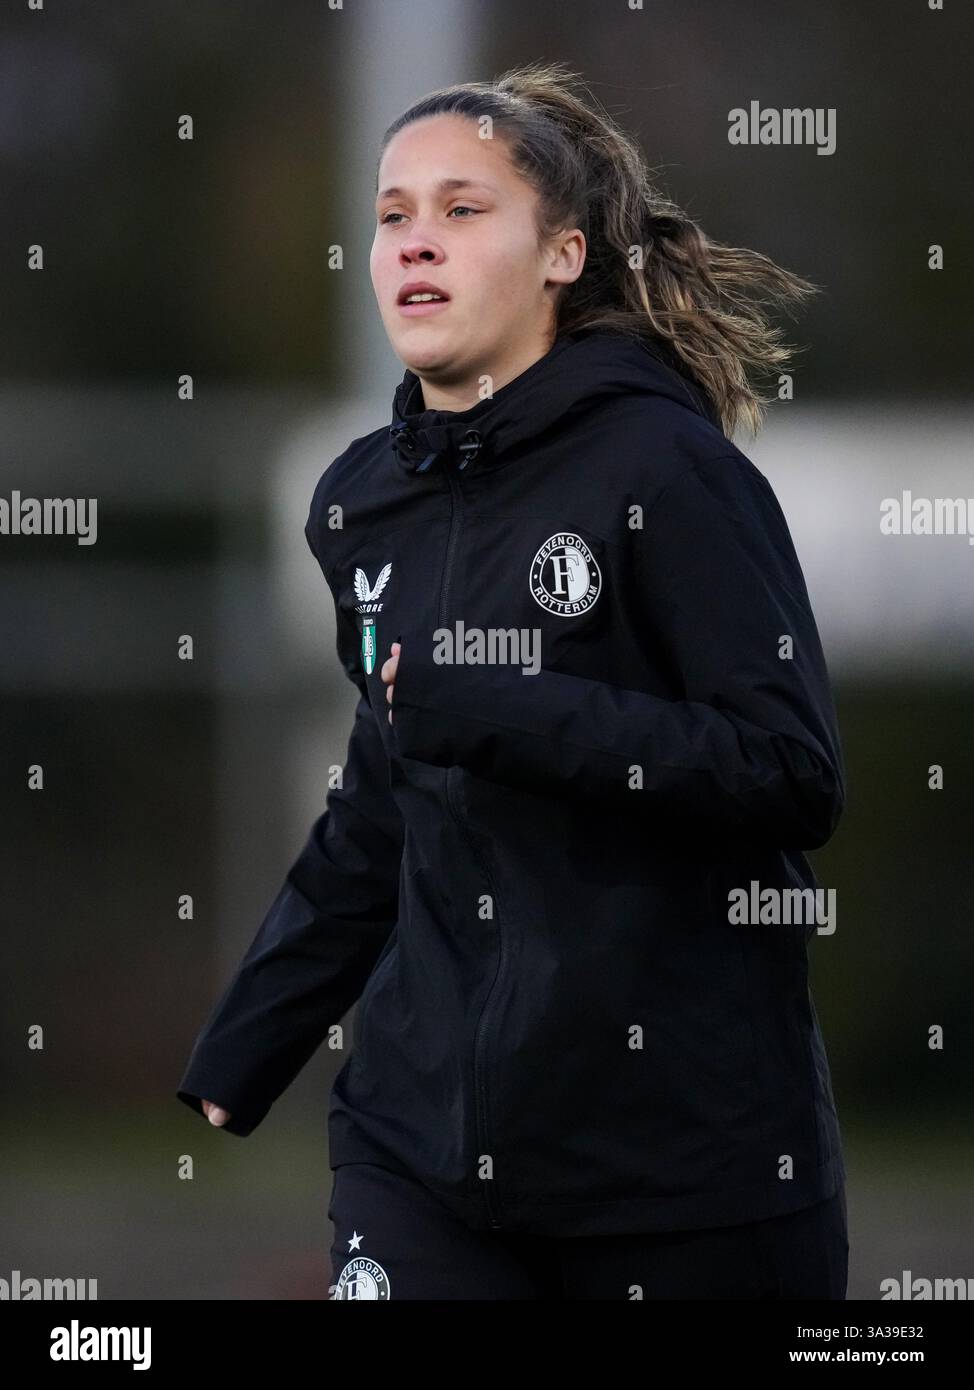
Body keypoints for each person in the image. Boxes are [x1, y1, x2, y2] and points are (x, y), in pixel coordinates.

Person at [177, 60, 850, 1301]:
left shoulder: (670, 470)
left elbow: (788, 772)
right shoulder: (359, 500)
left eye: (461, 208)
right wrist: (251, 1036)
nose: (413, 242)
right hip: (420, 1152)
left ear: (561, 255)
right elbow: (382, 803)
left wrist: (500, 707)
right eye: (391, 215)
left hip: (680, 1172)